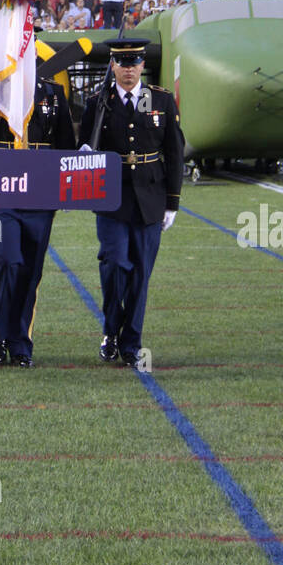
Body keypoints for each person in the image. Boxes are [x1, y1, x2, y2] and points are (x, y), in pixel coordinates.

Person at [78, 40, 183, 367]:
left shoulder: (161, 99)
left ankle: (130, 342)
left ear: (142, 65)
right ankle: (111, 329)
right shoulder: (98, 101)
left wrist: (172, 203)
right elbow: (83, 145)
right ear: (113, 65)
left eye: (133, 62)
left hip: (150, 197)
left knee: (140, 274)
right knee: (113, 265)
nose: (127, 69)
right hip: (111, 197)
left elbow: (175, 152)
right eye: (121, 63)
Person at [0, 72, 75, 367]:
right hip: (0, 194)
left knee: (30, 270)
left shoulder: (53, 94)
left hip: (40, 196)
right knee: (5, 260)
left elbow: (66, 144)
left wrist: (67, 189)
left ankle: (20, 344)